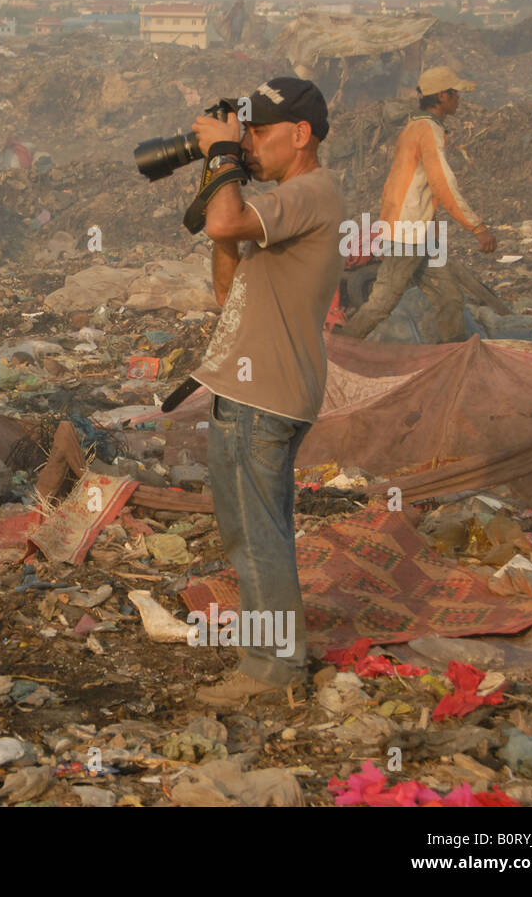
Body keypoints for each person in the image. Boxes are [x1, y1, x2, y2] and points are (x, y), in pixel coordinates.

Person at [185, 77, 345, 707]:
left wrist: (221, 158)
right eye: (243, 130)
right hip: (258, 389)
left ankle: (270, 669)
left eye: (259, 131)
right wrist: (224, 175)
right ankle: (278, 654)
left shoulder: (308, 191)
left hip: (265, 396)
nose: (249, 142)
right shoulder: (288, 203)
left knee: (254, 538)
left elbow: (224, 216)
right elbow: (228, 288)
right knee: (258, 532)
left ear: (301, 134)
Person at [339, 66, 497, 341]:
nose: (459, 99)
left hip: (418, 233)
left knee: (449, 298)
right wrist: (477, 227)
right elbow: (442, 184)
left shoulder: (416, 126)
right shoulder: (427, 130)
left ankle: (454, 361)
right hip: (407, 233)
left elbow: (413, 186)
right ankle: (336, 354)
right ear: (442, 96)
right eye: (455, 93)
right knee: (381, 304)